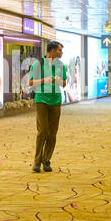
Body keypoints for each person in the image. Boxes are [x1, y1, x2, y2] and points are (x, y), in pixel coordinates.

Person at [26, 40, 68, 173]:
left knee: (52, 133)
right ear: (52, 50)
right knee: (42, 131)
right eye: (59, 50)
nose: (61, 53)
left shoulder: (61, 65)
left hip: (55, 101)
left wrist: (58, 80)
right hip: (41, 100)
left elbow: (64, 83)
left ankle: (46, 161)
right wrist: (44, 80)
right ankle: (37, 162)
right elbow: (31, 82)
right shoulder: (38, 64)